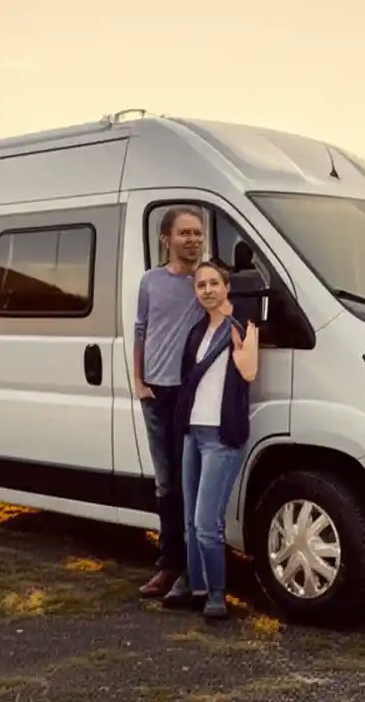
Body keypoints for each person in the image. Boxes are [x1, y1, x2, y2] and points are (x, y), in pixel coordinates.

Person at [161, 261, 259, 619]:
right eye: (201, 285)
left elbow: (249, 372)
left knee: (207, 525)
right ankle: (198, 589)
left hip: (222, 437)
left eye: (213, 283)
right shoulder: (198, 331)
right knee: (190, 522)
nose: (207, 290)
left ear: (227, 286)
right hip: (193, 433)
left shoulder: (242, 327)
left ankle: (218, 594)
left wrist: (239, 349)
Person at [133, 207, 206, 597]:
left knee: (187, 483)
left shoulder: (206, 281)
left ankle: (191, 571)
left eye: (198, 233)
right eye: (185, 233)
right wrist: (138, 380)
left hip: (189, 395)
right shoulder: (150, 281)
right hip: (156, 394)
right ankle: (167, 566)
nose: (193, 239)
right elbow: (140, 329)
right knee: (165, 485)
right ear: (167, 239)